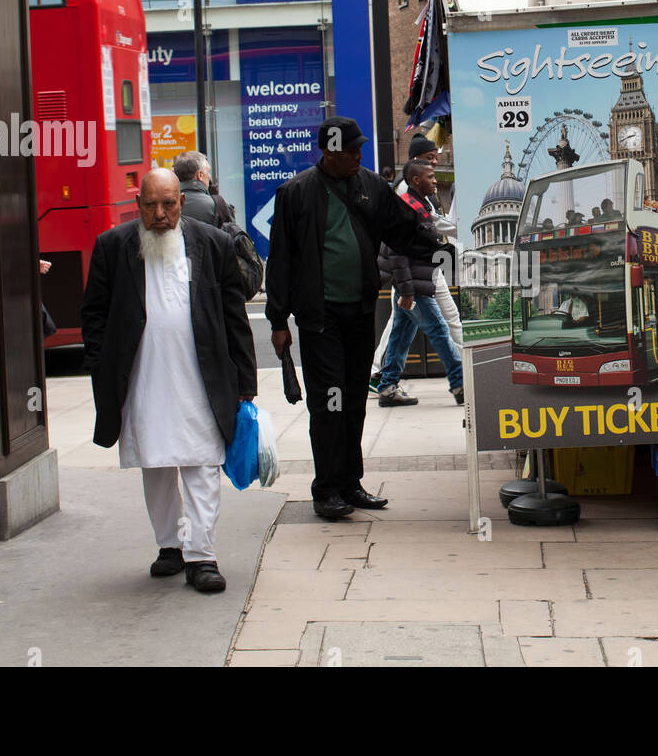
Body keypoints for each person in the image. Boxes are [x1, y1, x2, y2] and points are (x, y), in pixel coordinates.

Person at [80, 168, 256, 593]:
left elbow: (235, 318)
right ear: (138, 204)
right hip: (143, 380)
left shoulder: (213, 244)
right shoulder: (113, 246)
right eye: (151, 205)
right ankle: (169, 547)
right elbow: (95, 316)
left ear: (181, 201)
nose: (160, 214)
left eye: (169, 204)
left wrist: (245, 381)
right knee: (156, 464)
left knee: (201, 463)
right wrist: (102, 370)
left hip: (202, 378)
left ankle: (202, 556)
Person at [265, 116, 446, 519]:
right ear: (329, 152)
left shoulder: (370, 186)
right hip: (320, 318)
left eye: (359, 149)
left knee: (354, 403)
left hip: (360, 311)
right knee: (330, 403)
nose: (358, 156)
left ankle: (350, 482)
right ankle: (326, 488)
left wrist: (441, 248)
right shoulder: (296, 194)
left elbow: (403, 228)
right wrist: (278, 321)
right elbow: (279, 261)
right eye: (350, 151)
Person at [374, 160, 464, 407]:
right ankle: (460, 384)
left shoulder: (421, 204)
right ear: (416, 180)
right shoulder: (406, 206)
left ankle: (388, 387)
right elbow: (397, 252)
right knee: (439, 330)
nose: (435, 181)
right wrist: (407, 291)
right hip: (414, 285)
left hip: (414, 282)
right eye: (431, 177)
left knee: (401, 335)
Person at [173, 151, 219, 226]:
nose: (209, 176)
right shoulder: (217, 206)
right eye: (208, 172)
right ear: (200, 175)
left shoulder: (167, 206)